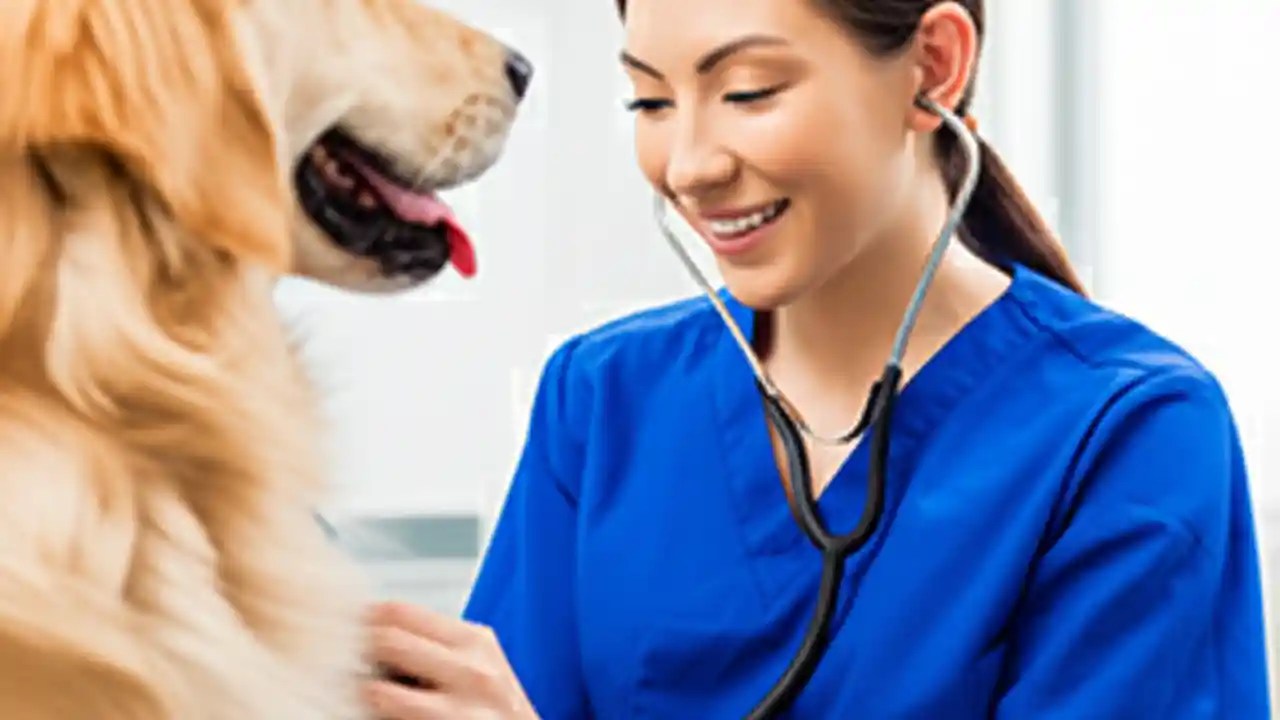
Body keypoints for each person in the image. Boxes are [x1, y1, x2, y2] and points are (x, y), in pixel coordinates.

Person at [359, 0, 1274, 717]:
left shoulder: (1130, 434)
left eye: (749, 91)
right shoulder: (600, 403)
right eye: (652, 102)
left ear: (933, 67)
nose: (689, 166)